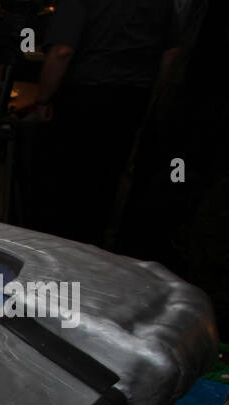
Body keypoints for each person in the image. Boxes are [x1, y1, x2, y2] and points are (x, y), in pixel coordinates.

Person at [30, 0, 182, 245]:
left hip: (83, 95)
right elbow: (172, 52)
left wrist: (42, 99)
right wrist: (152, 93)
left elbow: (62, 51)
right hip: (132, 97)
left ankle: (53, 252)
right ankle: (93, 253)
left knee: (63, 186)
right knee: (104, 184)